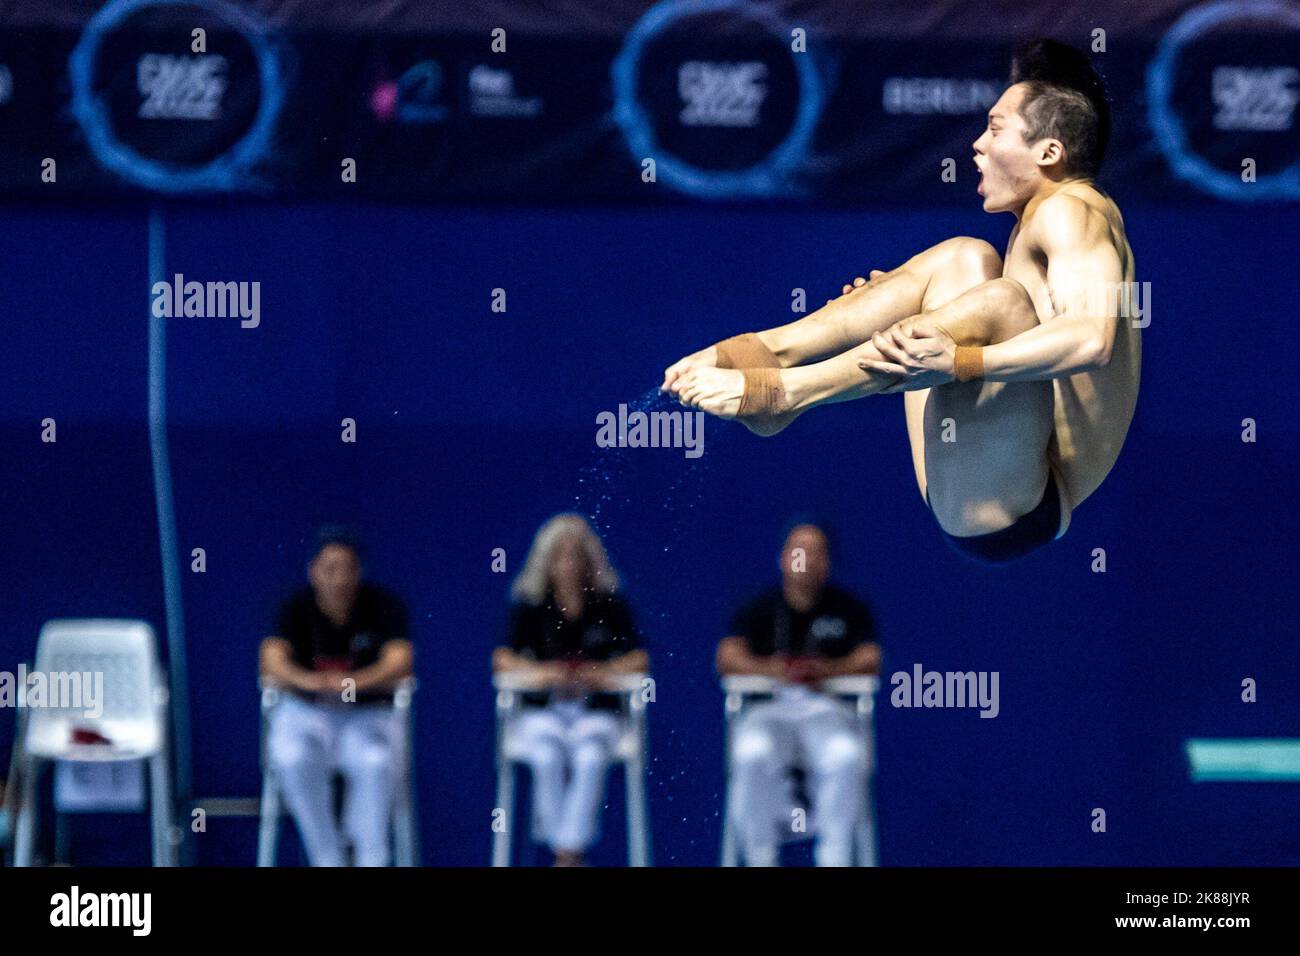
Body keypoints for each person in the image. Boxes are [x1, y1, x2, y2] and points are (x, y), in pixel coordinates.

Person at [663, 39, 1140, 564]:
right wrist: (907, 311)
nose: (977, 145)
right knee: (965, 259)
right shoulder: (1038, 223)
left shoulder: (1074, 209)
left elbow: (1092, 339)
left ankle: (790, 392)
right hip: (981, 478)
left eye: (996, 130)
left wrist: (960, 358)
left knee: (1001, 300)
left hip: (1024, 503)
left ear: (1049, 152)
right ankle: (768, 350)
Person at [718, 519, 881, 866]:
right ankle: (760, 856)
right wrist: (771, 669)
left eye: (815, 551)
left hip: (826, 710)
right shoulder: (760, 608)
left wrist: (827, 671)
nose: (806, 558)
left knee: (846, 756)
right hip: (770, 712)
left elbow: (871, 657)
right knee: (750, 754)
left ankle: (834, 857)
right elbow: (727, 655)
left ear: (827, 562)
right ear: (782, 558)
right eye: (798, 550)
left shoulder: (847, 609)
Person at [492, 513, 649, 866]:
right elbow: (502, 660)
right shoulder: (529, 607)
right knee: (546, 756)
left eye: (576, 555)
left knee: (590, 757)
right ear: (545, 561)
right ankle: (570, 856)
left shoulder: (609, 606)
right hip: (544, 712)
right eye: (560, 556)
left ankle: (566, 855)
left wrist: (601, 673)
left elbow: (639, 659)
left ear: (590, 559)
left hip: (595, 713)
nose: (568, 565)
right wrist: (544, 673)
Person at [259, 526, 414, 866]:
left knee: (377, 763)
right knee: (292, 759)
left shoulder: (383, 606)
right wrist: (311, 682)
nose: (339, 579)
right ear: (313, 571)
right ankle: (326, 858)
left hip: (367, 717)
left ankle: (372, 858)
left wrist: (352, 683)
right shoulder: (294, 608)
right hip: (308, 717)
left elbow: (400, 661)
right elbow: (271, 661)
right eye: (330, 569)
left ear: (359, 572)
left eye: (347, 569)